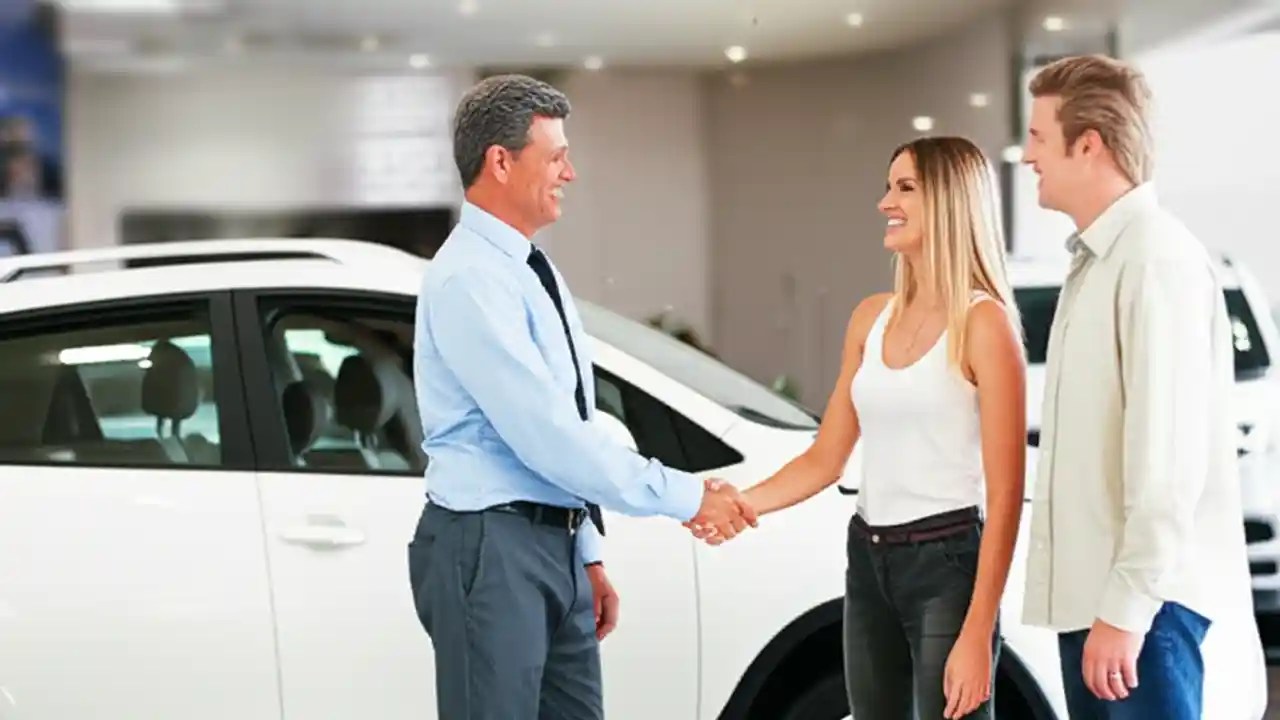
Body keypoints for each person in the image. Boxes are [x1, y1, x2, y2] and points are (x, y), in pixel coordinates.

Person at [407, 73, 757, 720]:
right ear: (502, 162)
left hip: (552, 545)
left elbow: (576, 413)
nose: (570, 171)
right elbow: (547, 435)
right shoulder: (469, 281)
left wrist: (585, 552)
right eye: (556, 155)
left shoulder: (530, 269)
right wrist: (685, 494)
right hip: (493, 549)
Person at [692, 136, 1027, 720]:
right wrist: (742, 503)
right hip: (870, 557)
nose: (884, 202)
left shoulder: (983, 324)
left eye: (904, 188)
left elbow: (1005, 499)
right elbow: (826, 457)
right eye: (887, 186)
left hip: (948, 565)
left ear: (948, 201)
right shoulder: (871, 317)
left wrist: (978, 633)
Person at [1019, 54, 1258, 719]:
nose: (1026, 156)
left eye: (1037, 137)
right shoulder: (1101, 261)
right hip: (1113, 608)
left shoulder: (1155, 258)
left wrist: (1125, 611)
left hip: (1142, 614)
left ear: (1088, 144)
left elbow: (1166, 460)